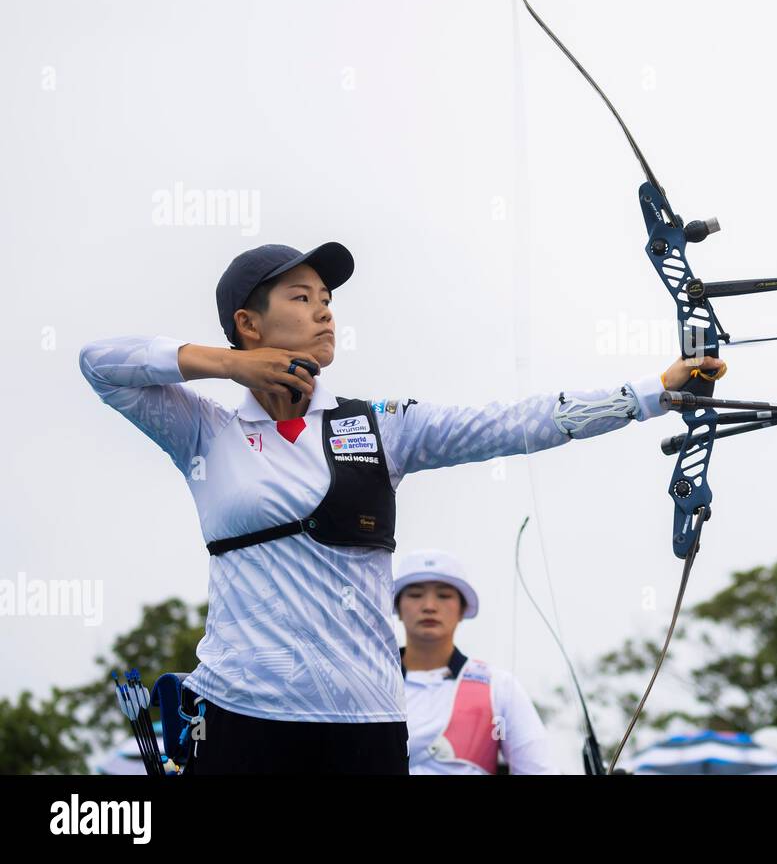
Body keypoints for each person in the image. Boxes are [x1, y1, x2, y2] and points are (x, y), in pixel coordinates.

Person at [78, 241, 725, 774]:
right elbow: (99, 363)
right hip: (239, 716)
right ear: (249, 323)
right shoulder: (205, 431)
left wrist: (653, 394)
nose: (325, 313)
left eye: (327, 300)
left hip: (363, 722)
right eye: (301, 299)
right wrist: (229, 365)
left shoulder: (381, 427)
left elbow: (513, 423)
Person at [394, 550, 553, 774]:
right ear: (397, 607)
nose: (429, 605)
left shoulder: (499, 687)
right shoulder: (370, 685)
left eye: (444, 595)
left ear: (462, 609)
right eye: (416, 594)